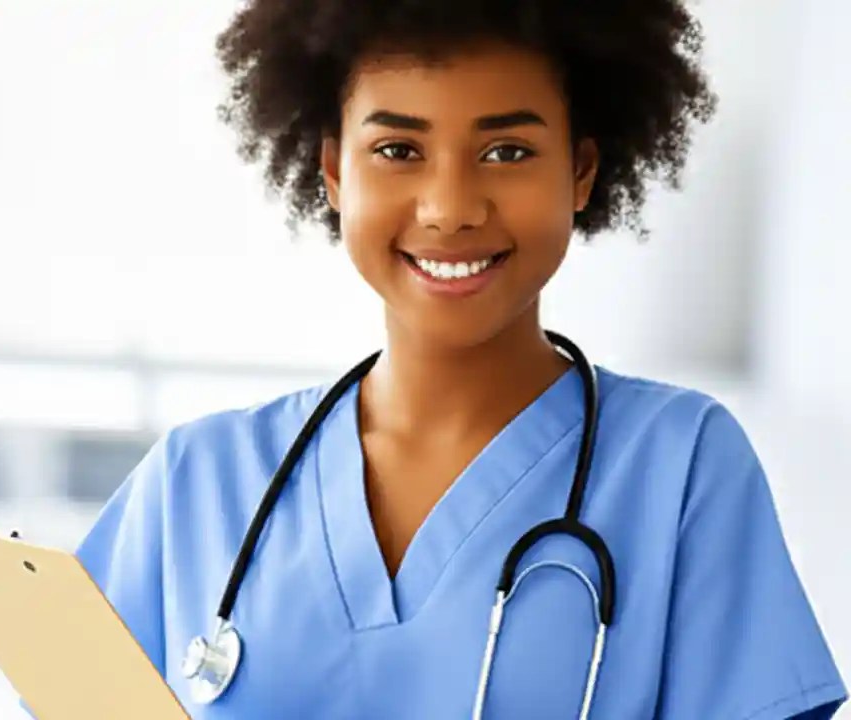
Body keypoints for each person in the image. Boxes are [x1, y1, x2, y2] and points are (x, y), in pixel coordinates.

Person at [72, 1, 847, 717]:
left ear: (580, 171)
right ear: (336, 170)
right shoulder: (196, 480)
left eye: (507, 150)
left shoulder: (681, 467)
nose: (450, 206)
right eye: (398, 149)